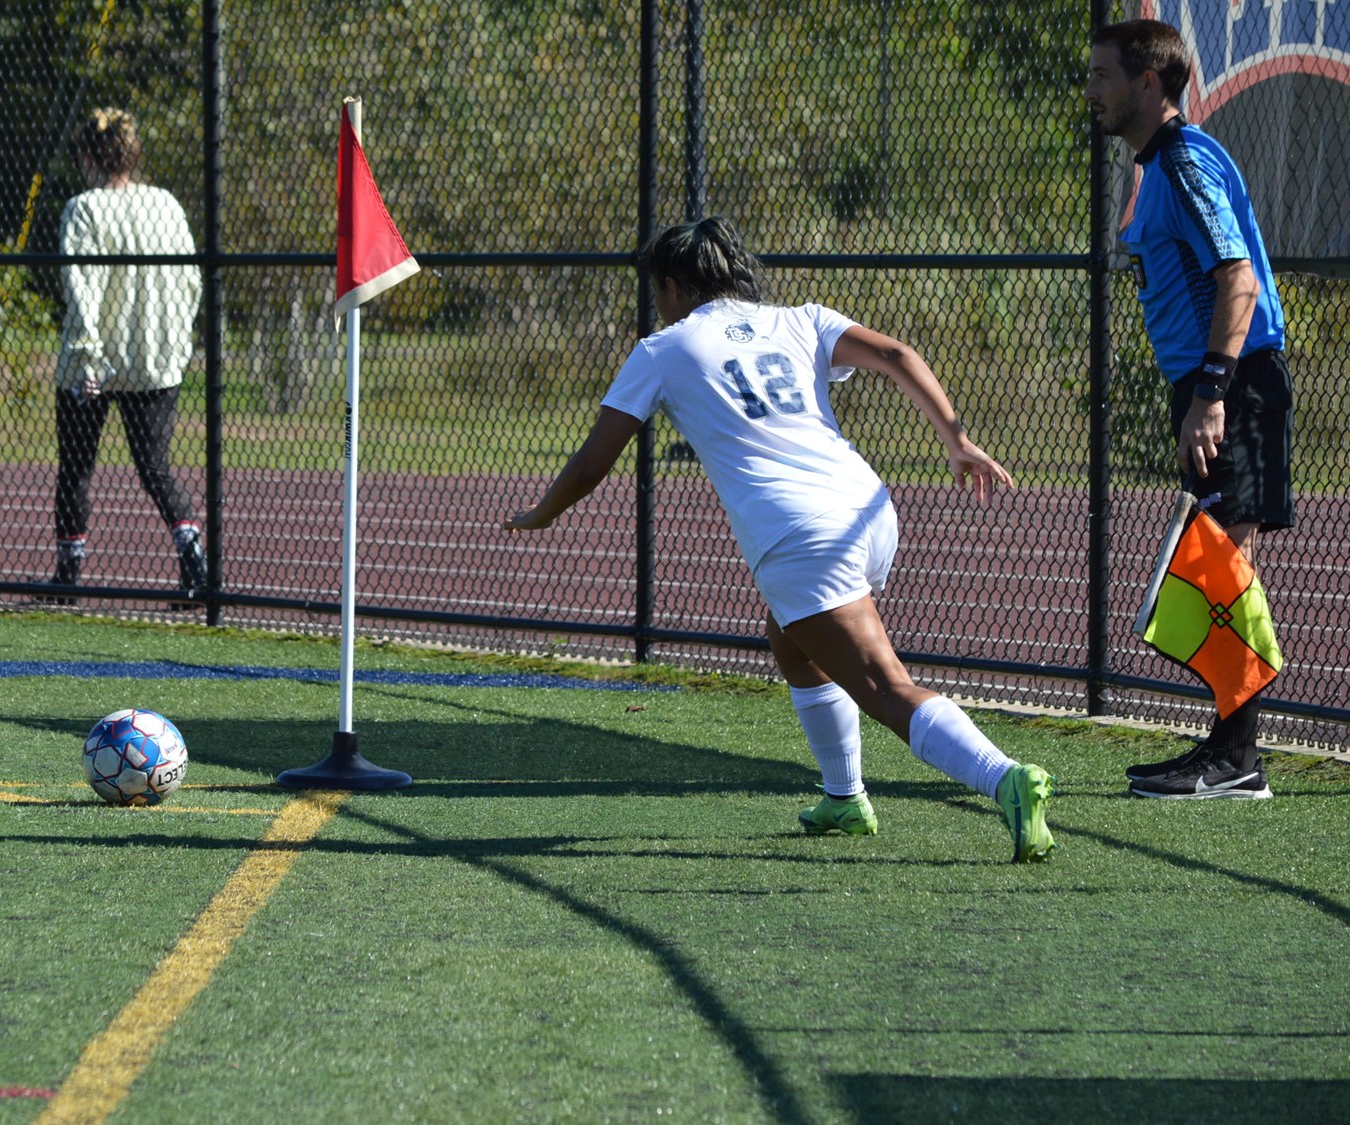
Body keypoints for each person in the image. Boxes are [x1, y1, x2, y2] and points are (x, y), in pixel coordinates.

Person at [503, 217, 1055, 863]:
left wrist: (542, 512)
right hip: (868, 510)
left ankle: (1004, 778)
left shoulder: (661, 349)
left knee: (884, 687)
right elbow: (898, 355)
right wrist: (957, 441)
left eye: (657, 289)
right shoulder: (801, 319)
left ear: (673, 285)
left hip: (800, 534)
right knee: (792, 640)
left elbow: (592, 463)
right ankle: (844, 797)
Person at [1086, 21, 1291, 799]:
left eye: (1103, 75)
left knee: (1224, 561)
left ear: (1147, 83)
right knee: (1215, 563)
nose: (1091, 90)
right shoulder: (1158, 166)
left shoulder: (1184, 160)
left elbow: (1237, 278)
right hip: (1211, 384)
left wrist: (1209, 395)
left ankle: (1237, 759)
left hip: (1233, 384)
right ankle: (1229, 747)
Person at [49, 107, 206, 601]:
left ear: (89, 157)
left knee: (76, 468)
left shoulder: (84, 209)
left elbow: (81, 286)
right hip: (152, 357)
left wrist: (88, 355)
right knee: (155, 467)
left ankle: (68, 576)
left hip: (92, 364)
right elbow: (190, 280)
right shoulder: (166, 204)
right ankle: (195, 564)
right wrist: (176, 341)